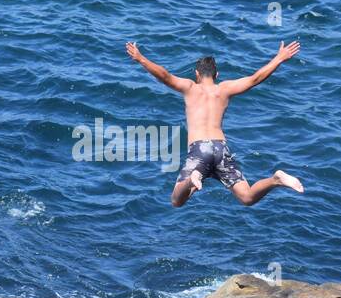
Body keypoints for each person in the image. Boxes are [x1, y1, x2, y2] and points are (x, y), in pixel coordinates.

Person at [125, 41, 305, 207]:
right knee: (247, 197)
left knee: (176, 200)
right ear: (216, 75)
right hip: (221, 148)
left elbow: (164, 76)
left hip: (199, 149)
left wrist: (141, 58)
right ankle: (275, 180)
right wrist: (279, 58)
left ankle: (191, 179)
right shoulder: (224, 89)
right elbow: (255, 79)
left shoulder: (190, 88)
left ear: (197, 74)